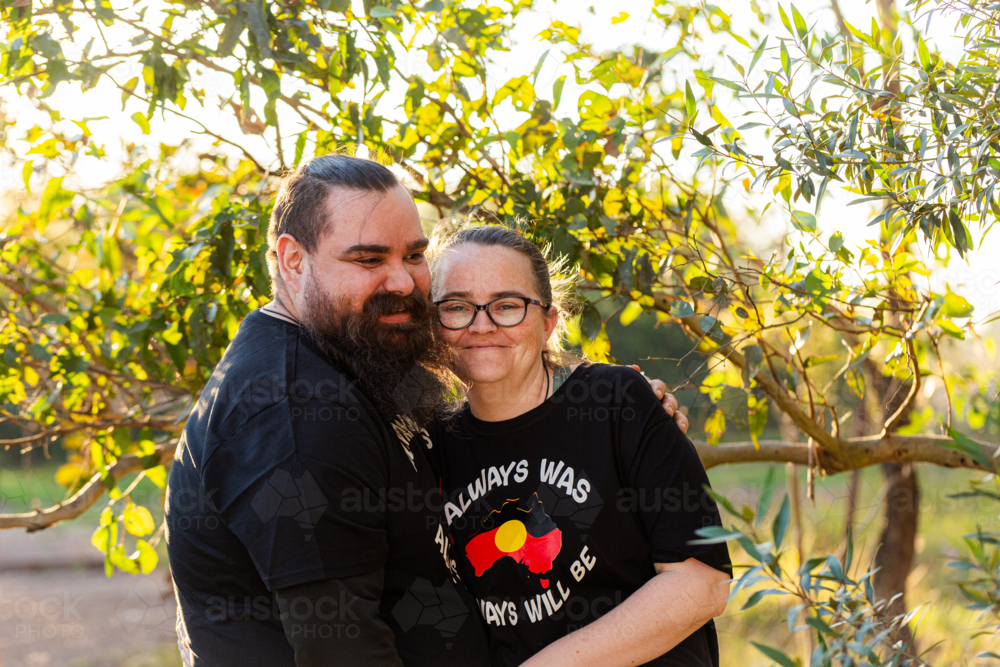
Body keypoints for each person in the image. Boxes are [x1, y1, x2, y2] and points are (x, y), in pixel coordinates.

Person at [165, 154, 685, 666]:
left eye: (414, 255)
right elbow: (342, 650)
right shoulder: (296, 415)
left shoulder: (350, 362)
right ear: (293, 259)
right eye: (369, 260)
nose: (402, 282)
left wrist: (614, 403)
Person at [425, 225, 732, 667]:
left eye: (507, 305)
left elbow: (702, 586)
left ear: (549, 322)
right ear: (433, 323)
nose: (482, 324)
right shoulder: (429, 440)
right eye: (456, 307)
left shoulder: (617, 403)